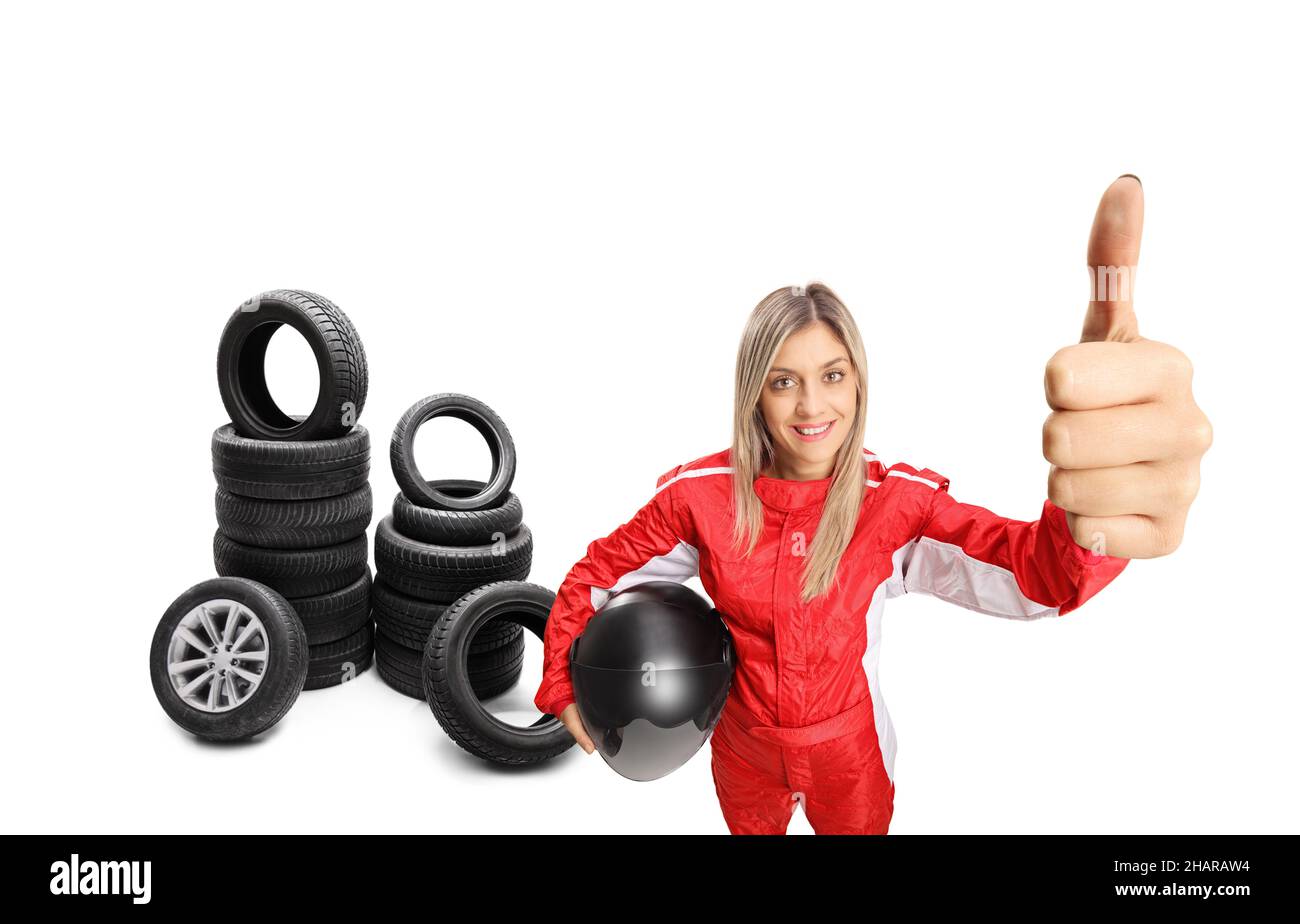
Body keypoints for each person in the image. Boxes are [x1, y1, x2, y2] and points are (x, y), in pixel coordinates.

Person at [533, 176, 1212, 834]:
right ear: (753, 394)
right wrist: (563, 682)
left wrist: (1091, 520)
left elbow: (1038, 576)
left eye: (831, 376)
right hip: (744, 752)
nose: (810, 406)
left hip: (849, 755)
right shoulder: (699, 498)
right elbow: (597, 576)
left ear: (858, 383)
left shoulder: (897, 506)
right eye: (783, 382)